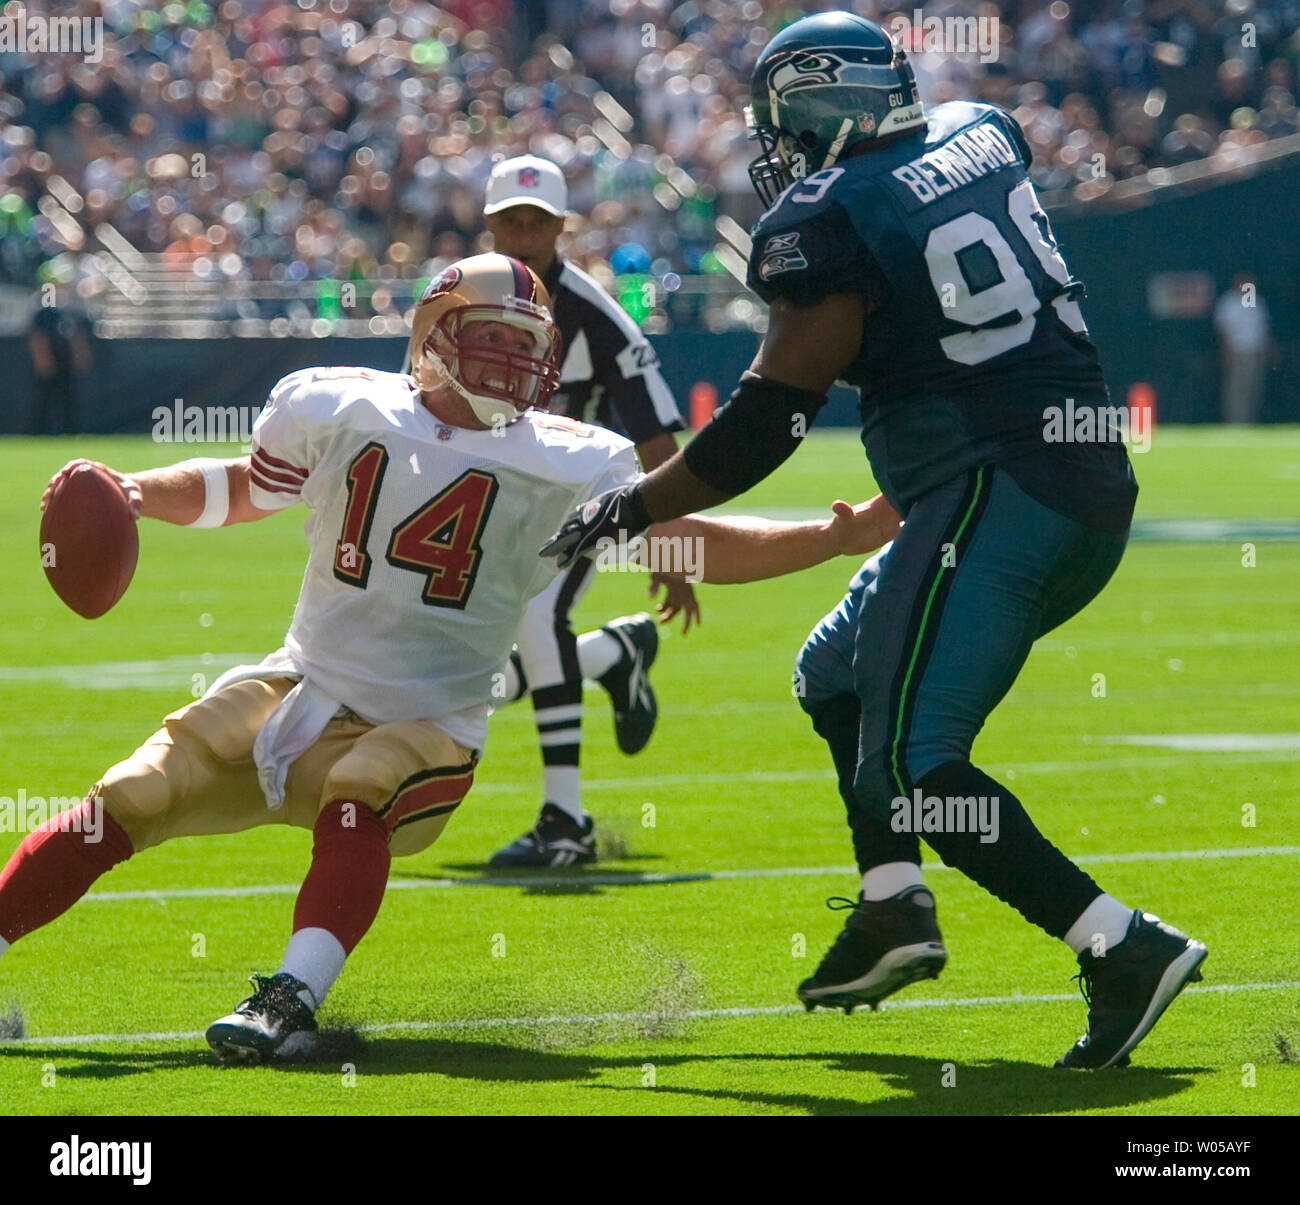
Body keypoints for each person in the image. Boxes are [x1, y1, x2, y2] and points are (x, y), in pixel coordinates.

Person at [1, 251, 900, 1064]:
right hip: (299, 683)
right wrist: (133, 493)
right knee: (128, 794)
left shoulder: (565, 462)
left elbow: (687, 544)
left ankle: (290, 996)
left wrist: (821, 540)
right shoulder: (341, 405)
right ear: (431, 340)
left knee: (362, 783)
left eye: (529, 343)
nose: (517, 361)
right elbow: (248, 485)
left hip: (428, 723)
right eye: (492, 337)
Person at [541, 13, 1207, 1070]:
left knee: (912, 765)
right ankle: (895, 902)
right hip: (1059, 480)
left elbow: (765, 420)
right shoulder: (976, 129)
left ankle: (1118, 943)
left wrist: (633, 507)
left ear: (814, 111)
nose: (781, 153)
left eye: (783, 126)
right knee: (832, 673)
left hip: (997, 492)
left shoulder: (830, 213)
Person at [480, 154, 696, 869]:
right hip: (490, 507)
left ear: (561, 227)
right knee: (475, 676)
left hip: (582, 502)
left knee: (541, 622)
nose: (521, 232)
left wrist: (673, 555)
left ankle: (565, 819)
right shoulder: (457, 299)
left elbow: (660, 443)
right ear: (487, 223)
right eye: (509, 217)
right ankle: (615, 653)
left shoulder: (597, 317)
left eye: (535, 221)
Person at [1213, 271, 1273, 424]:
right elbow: (1223, 329)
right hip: (1237, 351)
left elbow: (1263, 328)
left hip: (1255, 351)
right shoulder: (1229, 302)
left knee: (1254, 388)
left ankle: (1251, 422)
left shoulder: (1257, 302)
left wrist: (1266, 349)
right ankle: (1235, 422)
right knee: (1236, 389)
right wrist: (1227, 351)